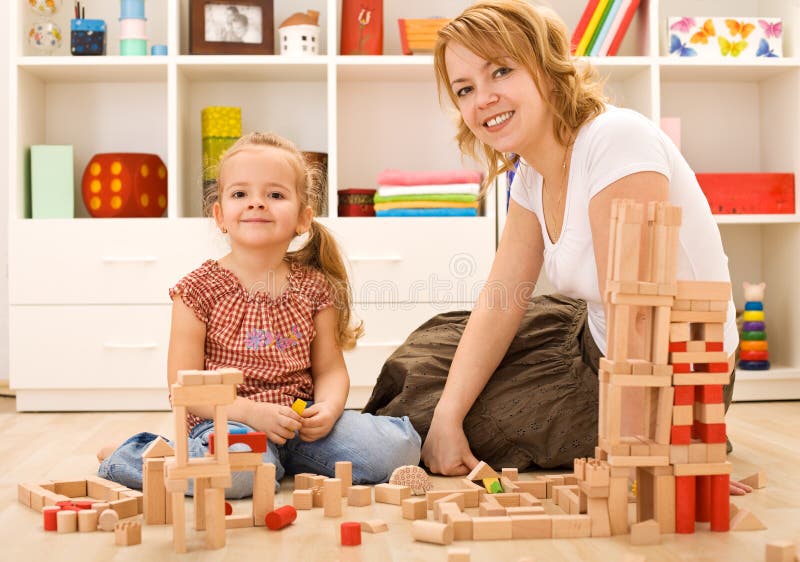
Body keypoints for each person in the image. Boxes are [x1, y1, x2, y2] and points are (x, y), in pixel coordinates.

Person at [362, 0, 750, 495]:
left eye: (500, 71)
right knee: (426, 362)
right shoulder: (531, 171)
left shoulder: (616, 139)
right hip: (590, 333)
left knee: (434, 421)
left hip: (664, 377)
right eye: (465, 89)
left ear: (546, 68)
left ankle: (695, 435)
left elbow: (638, 316)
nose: (483, 99)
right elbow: (500, 299)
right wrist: (447, 416)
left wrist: (656, 451)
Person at [97, 132, 421, 497]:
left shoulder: (315, 288)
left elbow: (329, 370)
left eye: (275, 194)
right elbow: (182, 390)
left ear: (302, 218)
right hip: (228, 424)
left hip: (299, 421)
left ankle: (279, 461)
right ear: (219, 215)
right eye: (240, 194)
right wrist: (252, 414)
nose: (256, 204)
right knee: (240, 474)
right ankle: (137, 455)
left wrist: (328, 409)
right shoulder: (197, 291)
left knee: (399, 447)